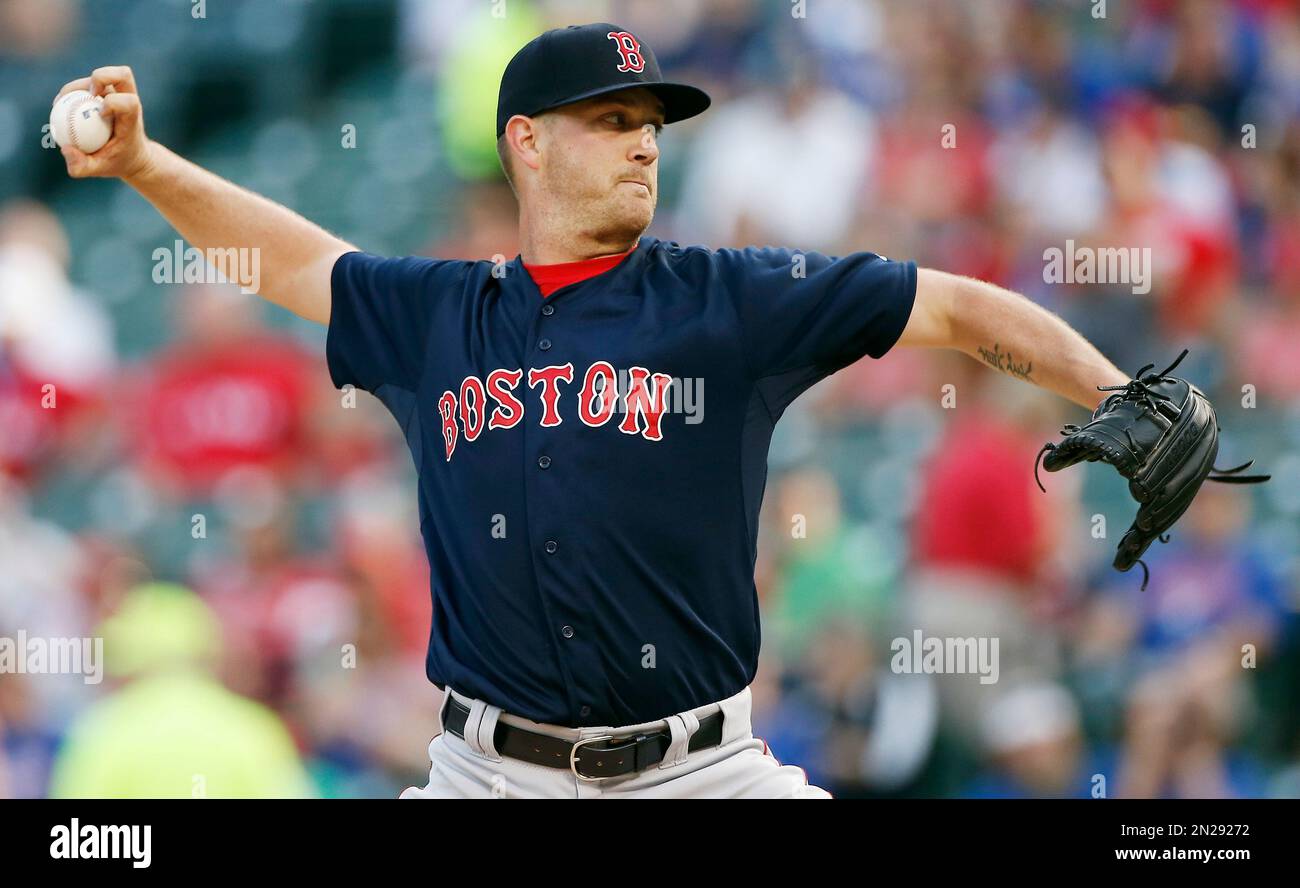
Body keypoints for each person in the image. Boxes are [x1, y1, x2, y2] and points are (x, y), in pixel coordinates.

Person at [56, 22, 1130, 798]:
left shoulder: (730, 299)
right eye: (612, 119)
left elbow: (947, 304)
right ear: (526, 142)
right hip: (484, 774)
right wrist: (145, 164)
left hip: (703, 772)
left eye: (651, 123)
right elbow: (293, 258)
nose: (644, 142)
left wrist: (1118, 395)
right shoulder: (437, 314)